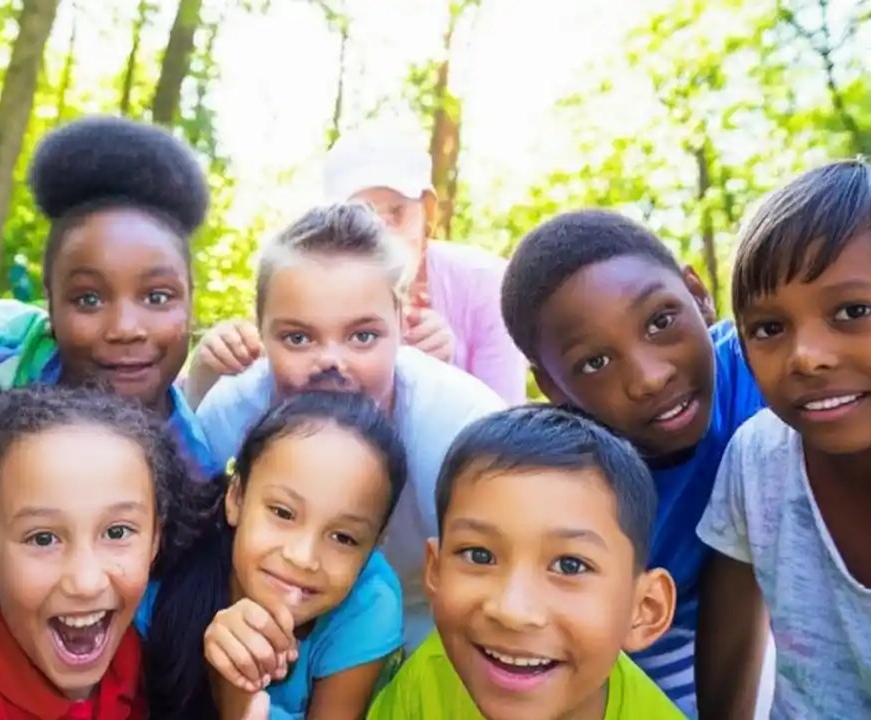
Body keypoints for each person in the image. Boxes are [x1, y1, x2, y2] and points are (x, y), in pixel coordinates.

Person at [197, 203, 505, 651]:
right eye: (298, 338)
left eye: (362, 336)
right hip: (274, 633)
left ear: (400, 325)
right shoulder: (234, 412)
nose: (330, 362)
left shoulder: (459, 428)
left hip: (435, 635)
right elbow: (188, 541)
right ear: (261, 333)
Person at [498, 209, 764, 715]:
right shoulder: (568, 488)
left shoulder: (765, 367)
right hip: (627, 657)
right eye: (595, 363)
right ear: (552, 386)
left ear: (698, 294)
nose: (649, 378)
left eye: (661, 321)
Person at [697, 160, 871, 719]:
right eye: (769, 328)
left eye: (853, 311)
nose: (805, 356)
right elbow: (728, 671)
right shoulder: (758, 458)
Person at [0, 385, 198, 718]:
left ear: (155, 540)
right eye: (43, 539)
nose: (86, 583)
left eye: (117, 532)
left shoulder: (141, 654)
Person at [369, 405, 682, 719]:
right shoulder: (433, 674)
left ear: (645, 609)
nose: (512, 611)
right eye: (479, 555)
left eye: (570, 565)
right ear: (435, 572)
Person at [186, 131, 527, 407]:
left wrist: (434, 377)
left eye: (397, 213)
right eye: (361, 215)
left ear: (429, 211)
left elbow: (505, 428)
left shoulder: (486, 283)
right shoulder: (301, 284)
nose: (383, 234)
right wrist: (209, 372)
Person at [0, 116, 219, 480]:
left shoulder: (196, 474)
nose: (125, 329)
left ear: (191, 303)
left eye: (157, 297)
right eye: (89, 300)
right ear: (50, 304)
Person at [140, 391, 406, 719]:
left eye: (344, 537)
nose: (303, 557)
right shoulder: (162, 573)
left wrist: (243, 703)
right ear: (236, 497)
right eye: (282, 512)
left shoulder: (368, 605)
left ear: (375, 545)